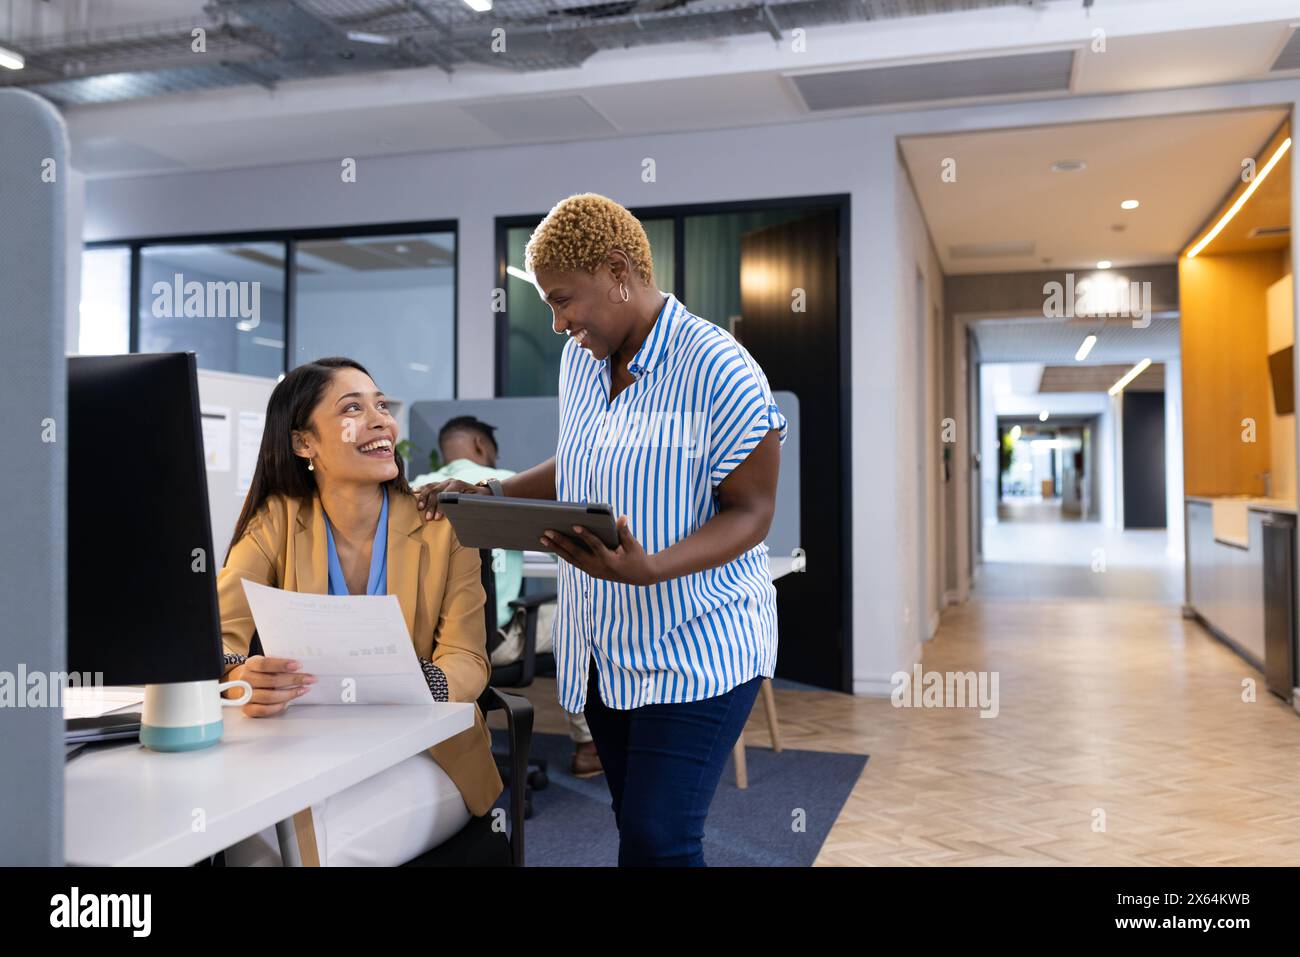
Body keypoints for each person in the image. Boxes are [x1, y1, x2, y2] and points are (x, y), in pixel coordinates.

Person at [419, 193, 786, 866]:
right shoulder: (583, 363)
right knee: (636, 827)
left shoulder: (720, 367)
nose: (557, 323)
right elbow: (578, 462)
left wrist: (654, 566)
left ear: (618, 270)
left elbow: (753, 510)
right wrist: (488, 492)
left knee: (659, 838)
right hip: (606, 653)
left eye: (564, 300)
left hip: (699, 647)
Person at [216, 357, 503, 866]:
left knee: (323, 852)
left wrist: (406, 682)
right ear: (304, 443)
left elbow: (468, 661)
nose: (381, 421)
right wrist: (240, 672)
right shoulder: (277, 520)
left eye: (380, 405)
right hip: (303, 743)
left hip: (426, 751)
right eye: (353, 408)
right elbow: (218, 635)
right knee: (248, 848)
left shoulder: (443, 526)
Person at [413, 415, 602, 778]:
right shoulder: (504, 486)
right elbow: (569, 549)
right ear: (483, 447)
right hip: (490, 643)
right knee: (583, 622)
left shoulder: (414, 490)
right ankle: (588, 746)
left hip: (424, 651)